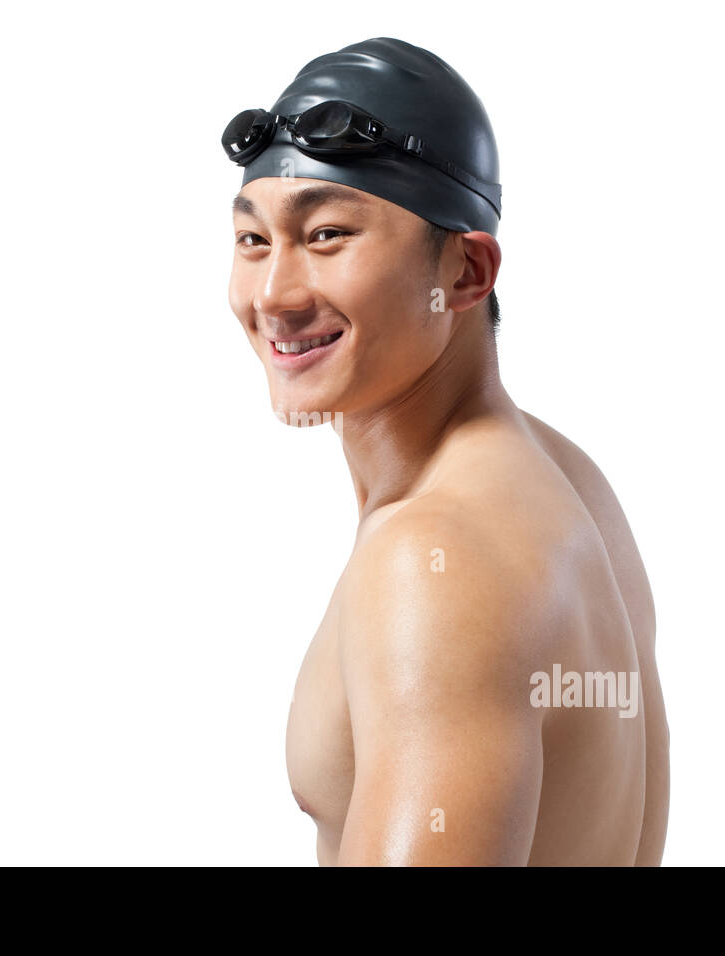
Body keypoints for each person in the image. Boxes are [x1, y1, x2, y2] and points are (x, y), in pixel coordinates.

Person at [222, 37, 669, 865]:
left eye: (325, 235)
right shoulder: (569, 479)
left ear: (466, 271)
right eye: (253, 240)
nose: (274, 295)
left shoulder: (431, 564)